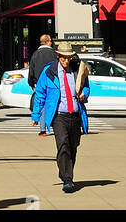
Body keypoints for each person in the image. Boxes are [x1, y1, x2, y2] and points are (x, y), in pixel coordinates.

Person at [30, 42, 90, 194]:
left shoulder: (78, 69)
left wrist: (84, 94)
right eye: (63, 58)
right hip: (59, 116)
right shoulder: (49, 72)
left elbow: (86, 86)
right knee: (63, 145)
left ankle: (64, 171)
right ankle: (68, 180)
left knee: (73, 146)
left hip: (75, 114)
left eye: (69, 57)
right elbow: (40, 93)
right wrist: (36, 115)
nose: (66, 60)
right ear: (58, 56)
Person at [27, 34, 55, 137]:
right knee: (53, 104)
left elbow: (31, 70)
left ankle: (42, 130)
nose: (51, 42)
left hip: (39, 83)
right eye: (50, 41)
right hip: (52, 83)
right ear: (47, 41)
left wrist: (31, 82)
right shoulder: (53, 54)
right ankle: (55, 126)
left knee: (41, 105)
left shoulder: (35, 54)